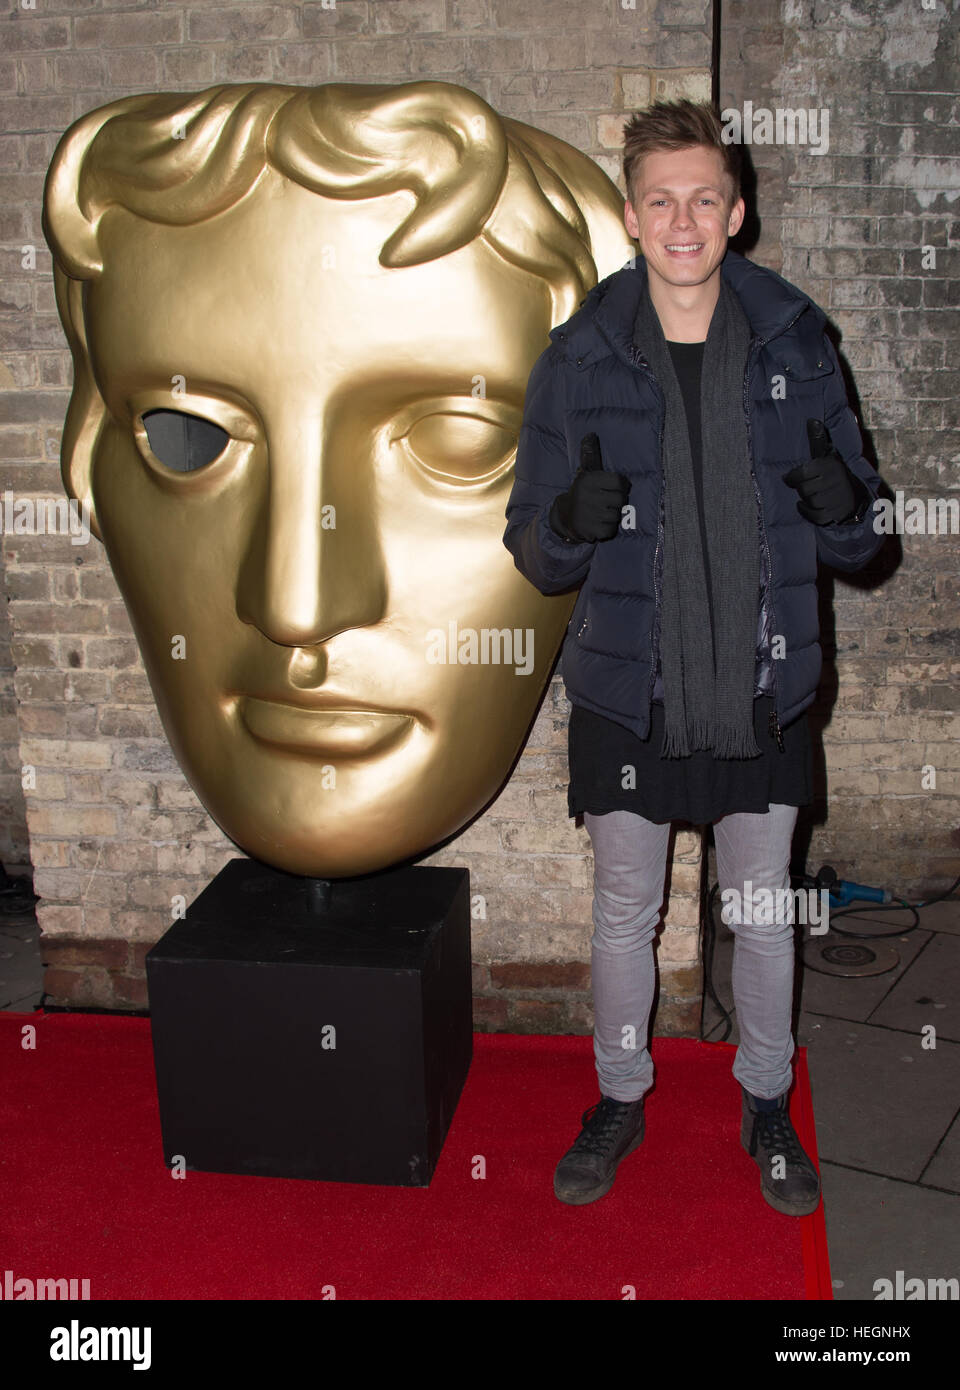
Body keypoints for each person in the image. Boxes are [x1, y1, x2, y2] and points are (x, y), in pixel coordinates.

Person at [502, 99, 883, 1216]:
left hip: (763, 687)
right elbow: (533, 551)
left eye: (703, 198)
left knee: (762, 912)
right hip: (634, 689)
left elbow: (865, 536)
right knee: (626, 915)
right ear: (630, 217)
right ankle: (621, 1094)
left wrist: (844, 505)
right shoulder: (577, 359)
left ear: (737, 213)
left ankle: (767, 1100)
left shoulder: (799, 345)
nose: (682, 219)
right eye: (660, 200)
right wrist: (572, 519)